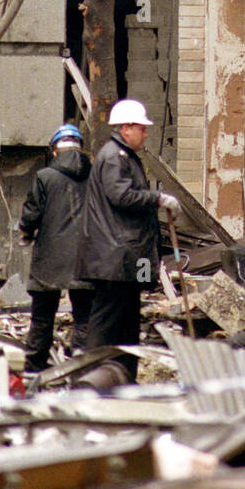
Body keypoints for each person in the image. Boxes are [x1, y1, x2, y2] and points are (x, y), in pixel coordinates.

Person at [75, 100, 180, 381]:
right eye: (142, 128)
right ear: (127, 128)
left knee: (126, 321)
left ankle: (122, 377)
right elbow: (120, 196)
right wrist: (157, 198)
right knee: (107, 320)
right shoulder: (114, 157)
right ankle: (89, 380)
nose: (146, 134)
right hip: (113, 258)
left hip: (121, 258)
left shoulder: (122, 156)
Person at [18, 123, 93, 374]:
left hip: (50, 256)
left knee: (41, 317)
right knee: (84, 316)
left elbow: (32, 214)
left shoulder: (45, 177)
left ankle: (34, 370)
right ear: (81, 149)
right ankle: (81, 369)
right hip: (86, 257)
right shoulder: (96, 176)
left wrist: (26, 232)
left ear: (55, 151)